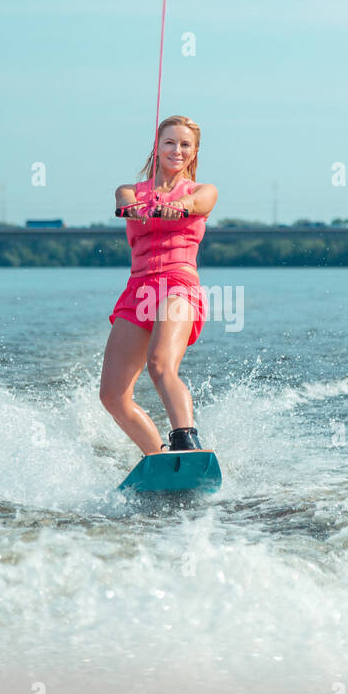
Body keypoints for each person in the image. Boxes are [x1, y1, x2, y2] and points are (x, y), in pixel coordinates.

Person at [100, 115, 218, 455]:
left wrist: (178, 205)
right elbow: (124, 204)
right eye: (169, 142)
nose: (177, 150)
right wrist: (137, 209)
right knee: (112, 395)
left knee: (160, 364)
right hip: (137, 290)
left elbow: (198, 204)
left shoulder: (202, 191)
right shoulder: (129, 191)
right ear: (157, 146)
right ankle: (160, 457)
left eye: (185, 145)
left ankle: (187, 441)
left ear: (194, 152)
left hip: (178, 284)